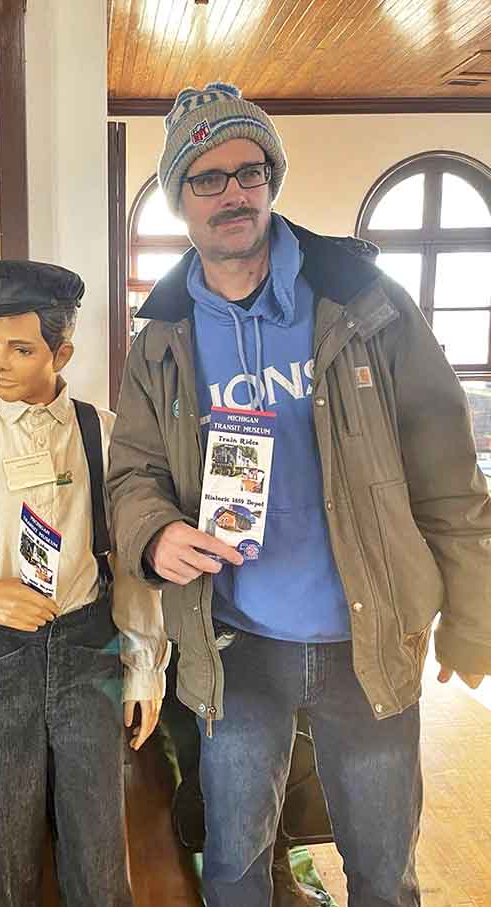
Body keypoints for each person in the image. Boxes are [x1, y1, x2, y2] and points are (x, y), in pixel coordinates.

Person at [108, 82, 491, 907]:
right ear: (179, 198)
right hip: (237, 642)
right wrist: (156, 534)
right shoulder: (162, 338)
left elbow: (449, 475)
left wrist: (473, 613)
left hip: (369, 637)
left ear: (271, 177)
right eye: (206, 177)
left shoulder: (366, 304)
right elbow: (132, 471)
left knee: (383, 871)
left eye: (249, 170)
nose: (232, 192)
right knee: (238, 868)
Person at [0, 260, 169, 907]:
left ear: (62, 349)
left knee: (101, 863)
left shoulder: (105, 436)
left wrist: (144, 669)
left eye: (20, 347)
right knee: (1, 863)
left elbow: (132, 569)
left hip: (89, 656)